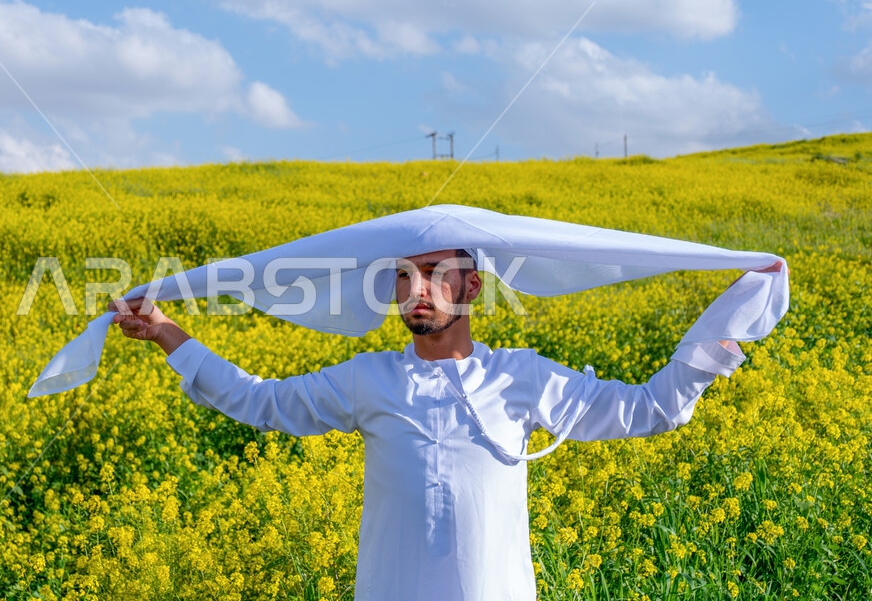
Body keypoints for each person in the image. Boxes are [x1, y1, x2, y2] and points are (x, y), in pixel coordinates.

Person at [108, 248, 780, 600]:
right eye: (404, 278)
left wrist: (722, 333)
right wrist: (168, 332)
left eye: (434, 275)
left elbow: (646, 409)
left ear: (472, 290)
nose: (417, 290)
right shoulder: (369, 379)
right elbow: (261, 402)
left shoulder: (521, 376)